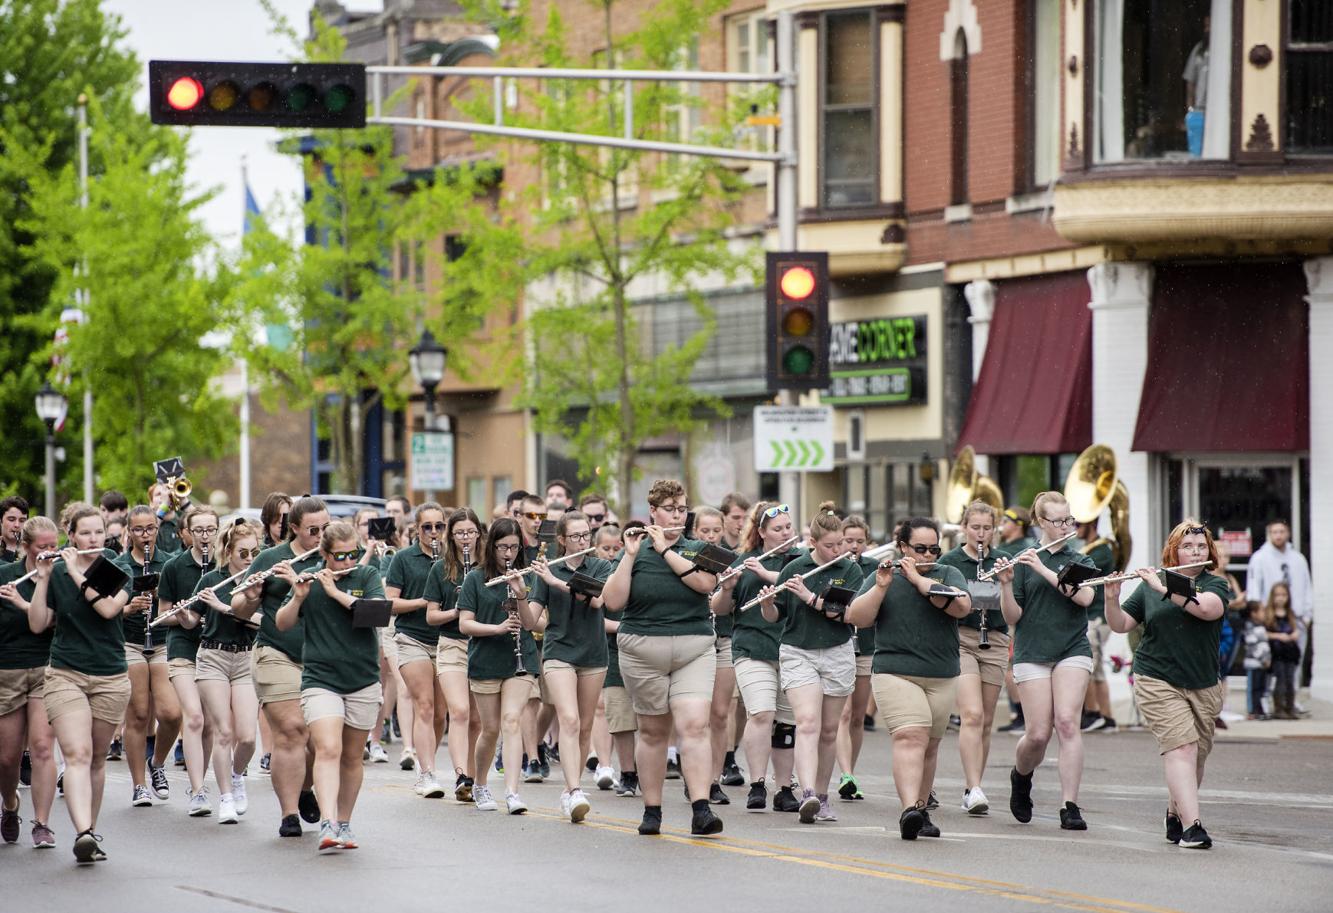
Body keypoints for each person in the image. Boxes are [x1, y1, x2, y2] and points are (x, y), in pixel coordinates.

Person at [602, 479, 723, 837]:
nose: (677, 515)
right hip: (642, 649)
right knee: (653, 731)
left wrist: (667, 550)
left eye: (682, 508)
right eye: (670, 509)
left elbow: (705, 585)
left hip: (694, 647)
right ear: (653, 511)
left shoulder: (698, 547)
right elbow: (612, 601)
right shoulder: (635, 550)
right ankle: (652, 809)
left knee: (694, 725)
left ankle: (701, 808)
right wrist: (629, 555)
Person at [1103, 519, 1228, 849]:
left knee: (1196, 756)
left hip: (1202, 682)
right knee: (1181, 748)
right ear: (1175, 551)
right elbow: (1120, 624)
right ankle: (1192, 827)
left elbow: (1207, 611)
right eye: (1188, 546)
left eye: (1201, 546)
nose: (1195, 551)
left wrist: (1165, 589)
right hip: (1156, 677)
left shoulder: (1215, 584)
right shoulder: (1150, 585)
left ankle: (1175, 813)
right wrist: (1111, 599)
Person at [846, 517, 971, 839]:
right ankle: (908, 810)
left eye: (934, 548)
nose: (929, 554)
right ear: (903, 547)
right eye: (920, 549)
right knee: (911, 736)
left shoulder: (949, 574)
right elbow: (857, 617)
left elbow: (962, 608)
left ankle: (920, 808)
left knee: (929, 745)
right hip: (895, 671)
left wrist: (916, 577)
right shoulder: (884, 575)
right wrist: (880, 587)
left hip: (941, 673)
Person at [26, 504, 131, 863]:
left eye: (99, 532)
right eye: (85, 533)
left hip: (111, 674)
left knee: (98, 758)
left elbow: (107, 609)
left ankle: (89, 831)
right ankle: (83, 831)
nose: (93, 539)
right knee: (77, 754)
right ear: (71, 535)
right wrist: (42, 581)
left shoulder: (117, 567)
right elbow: (38, 624)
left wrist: (73, 570)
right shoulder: (55, 572)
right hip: (66, 673)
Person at [275, 520, 384, 853]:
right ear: (324, 554)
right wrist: (298, 597)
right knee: (328, 749)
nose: (347, 562)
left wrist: (337, 592)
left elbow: (377, 615)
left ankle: (345, 822)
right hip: (321, 679)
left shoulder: (366, 576)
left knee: (352, 757)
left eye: (352, 554)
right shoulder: (309, 580)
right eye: (339, 557)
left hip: (362, 679)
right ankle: (328, 821)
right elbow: (282, 624)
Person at [756, 503, 864, 824]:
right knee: (807, 723)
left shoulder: (851, 570)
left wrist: (807, 596)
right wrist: (765, 605)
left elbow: (841, 612)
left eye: (840, 544)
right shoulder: (795, 568)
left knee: (829, 731)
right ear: (813, 543)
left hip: (837, 650)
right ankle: (807, 794)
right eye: (829, 546)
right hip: (797, 650)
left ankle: (824, 794)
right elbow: (777, 616)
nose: (836, 551)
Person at [996, 491, 1097, 831]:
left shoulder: (1079, 558)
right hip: (1032, 651)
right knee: (1038, 734)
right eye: (1058, 521)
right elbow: (1013, 616)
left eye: (1069, 519)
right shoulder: (1021, 559)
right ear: (1041, 522)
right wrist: (1007, 586)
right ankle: (1021, 776)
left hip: (1072, 648)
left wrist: (1043, 568)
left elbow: (1084, 596)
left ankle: (1070, 805)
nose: (1066, 526)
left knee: (1067, 722)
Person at [232, 495, 329, 837]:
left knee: (320, 739)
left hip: (323, 657)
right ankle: (288, 814)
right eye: (313, 530)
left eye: (325, 528)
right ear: (294, 529)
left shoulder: (335, 555)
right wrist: (254, 595)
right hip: (277, 652)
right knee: (291, 730)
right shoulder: (271, 558)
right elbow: (238, 608)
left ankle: (305, 789)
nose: (320, 536)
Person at [523, 510, 614, 822]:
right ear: (561, 539)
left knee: (586, 724)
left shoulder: (600, 564)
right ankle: (574, 789)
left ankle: (569, 791)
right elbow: (532, 619)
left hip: (593, 652)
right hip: (559, 651)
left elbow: (599, 600)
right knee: (570, 720)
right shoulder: (548, 570)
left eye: (586, 534)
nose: (582, 540)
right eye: (575, 536)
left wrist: (556, 582)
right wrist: (521, 596)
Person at [711, 502, 799, 814]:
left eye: (788, 527)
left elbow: (801, 589)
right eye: (777, 529)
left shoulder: (801, 561)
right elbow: (720, 609)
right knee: (761, 713)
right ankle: (758, 784)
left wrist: (769, 574)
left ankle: (785, 788)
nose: (785, 533)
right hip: (752, 648)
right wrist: (726, 588)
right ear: (761, 533)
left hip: (792, 650)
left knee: (787, 723)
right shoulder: (743, 562)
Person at [457, 517, 540, 815]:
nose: (509, 553)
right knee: (490, 729)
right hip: (486, 659)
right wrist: (497, 628)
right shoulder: (475, 579)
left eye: (515, 547)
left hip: (522, 658)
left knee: (512, 720)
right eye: (503, 547)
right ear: (491, 546)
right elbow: (464, 624)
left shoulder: (527, 576)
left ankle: (512, 791)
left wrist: (520, 594)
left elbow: (531, 624)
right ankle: (479, 783)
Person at [187, 519, 261, 824]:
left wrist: (222, 606)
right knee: (223, 732)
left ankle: (237, 773)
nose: (249, 558)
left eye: (255, 552)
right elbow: (191, 620)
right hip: (213, 657)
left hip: (244, 658)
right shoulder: (211, 580)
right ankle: (226, 797)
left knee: (247, 738)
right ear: (228, 551)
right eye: (243, 553)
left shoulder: (259, 582)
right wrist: (183, 613)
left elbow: (262, 620)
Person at [937, 501, 1007, 815]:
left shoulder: (1003, 561)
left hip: (993, 638)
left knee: (987, 721)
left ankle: (973, 784)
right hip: (960, 639)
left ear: (995, 529)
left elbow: (1012, 607)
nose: (981, 534)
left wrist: (1006, 583)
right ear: (964, 527)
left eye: (987, 528)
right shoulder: (951, 562)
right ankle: (973, 787)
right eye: (975, 527)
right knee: (973, 714)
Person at [0, 517, 60, 849]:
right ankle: (10, 804)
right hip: (7, 671)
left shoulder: (60, 578)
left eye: (55, 546)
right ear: (25, 547)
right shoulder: (6, 575)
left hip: (46, 667)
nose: (50, 553)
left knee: (41, 748)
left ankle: (43, 823)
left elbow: (55, 622)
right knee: (7, 758)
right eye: (42, 548)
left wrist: (32, 596)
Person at [156, 506, 220, 815]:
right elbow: (161, 615)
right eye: (199, 531)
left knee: (208, 725)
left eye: (211, 530)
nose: (205, 536)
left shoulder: (223, 565)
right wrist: (180, 615)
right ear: (187, 534)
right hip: (183, 648)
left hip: (214, 649)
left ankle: (201, 781)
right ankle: (196, 791)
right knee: (193, 717)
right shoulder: (174, 566)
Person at [386, 502, 450, 800]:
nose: (434, 532)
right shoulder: (403, 558)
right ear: (417, 530)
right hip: (412, 637)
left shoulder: (453, 559)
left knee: (440, 714)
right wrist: (425, 602)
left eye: (440, 526)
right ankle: (427, 773)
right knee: (424, 704)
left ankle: (428, 763)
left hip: (446, 640)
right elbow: (390, 603)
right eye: (428, 527)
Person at [115, 505, 177, 808]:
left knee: (171, 713)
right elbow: (105, 611)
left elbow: (179, 604)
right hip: (130, 642)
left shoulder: (169, 563)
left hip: (163, 641)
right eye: (138, 529)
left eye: (150, 528)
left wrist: (161, 603)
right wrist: (130, 608)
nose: (145, 535)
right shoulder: (119, 565)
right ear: (129, 531)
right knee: (138, 714)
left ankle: (158, 763)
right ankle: (139, 784)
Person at [424, 508, 485, 801]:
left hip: (482, 645)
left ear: (479, 534)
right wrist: (457, 611)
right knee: (459, 712)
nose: (465, 538)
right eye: (459, 532)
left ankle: (471, 781)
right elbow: (431, 616)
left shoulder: (487, 567)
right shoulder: (441, 568)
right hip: (451, 644)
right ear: (451, 536)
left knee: (477, 719)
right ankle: (461, 773)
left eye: (470, 532)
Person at [689, 506, 737, 804]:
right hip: (695, 640)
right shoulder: (686, 556)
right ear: (695, 531)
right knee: (697, 718)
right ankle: (693, 775)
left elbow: (723, 607)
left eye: (715, 530)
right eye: (704, 531)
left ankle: (714, 779)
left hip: (726, 638)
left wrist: (729, 588)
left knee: (720, 714)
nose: (710, 536)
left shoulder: (732, 559)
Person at [1245, 520, 1313, 699]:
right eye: (1274, 532)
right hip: (1270, 618)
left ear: (1288, 533)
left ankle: (1291, 700)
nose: (1278, 535)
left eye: (1282, 531)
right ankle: (1268, 700)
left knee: (1294, 661)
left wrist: (1307, 616)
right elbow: (1254, 587)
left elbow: (1307, 587)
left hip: (1294, 618)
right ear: (1269, 534)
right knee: (1271, 662)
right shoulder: (1260, 558)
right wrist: (1258, 616)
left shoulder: (1298, 558)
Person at [835, 515, 876, 801]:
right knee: (843, 712)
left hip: (866, 646)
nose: (854, 546)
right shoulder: (834, 568)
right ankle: (845, 773)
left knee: (858, 717)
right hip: (839, 644)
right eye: (848, 541)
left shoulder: (873, 568)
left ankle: (852, 771)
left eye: (859, 541)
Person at [594, 524, 638, 795]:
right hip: (612, 649)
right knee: (620, 715)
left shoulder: (636, 569)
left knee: (646, 716)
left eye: (616, 548)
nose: (612, 554)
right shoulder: (597, 573)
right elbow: (595, 617)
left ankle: (644, 768)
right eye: (606, 548)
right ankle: (628, 772)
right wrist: (623, 628)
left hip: (642, 649)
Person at [1077, 520, 1118, 733]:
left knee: (1087, 667)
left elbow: (1080, 575)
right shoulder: (1089, 549)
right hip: (1091, 617)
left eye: (1077, 524)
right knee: (1098, 669)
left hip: (1096, 617)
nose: (1074, 529)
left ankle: (1092, 713)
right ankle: (1107, 717)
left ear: (1091, 524)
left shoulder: (1101, 550)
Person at [1258, 583, 1303, 720]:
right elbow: (1263, 633)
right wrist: (1278, 636)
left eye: (1283, 595)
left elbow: (1296, 628)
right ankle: (1279, 708)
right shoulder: (1268, 613)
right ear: (1273, 596)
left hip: (1290, 651)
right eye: (1277, 595)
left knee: (1290, 679)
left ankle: (1290, 707)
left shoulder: (1290, 613)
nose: (1280, 598)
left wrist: (1295, 633)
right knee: (1280, 679)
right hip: (1276, 651)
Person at [1, 495, 29, 563]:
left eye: (22, 520)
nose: (17, 525)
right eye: (11, 519)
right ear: (0, 520)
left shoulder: (31, 549)